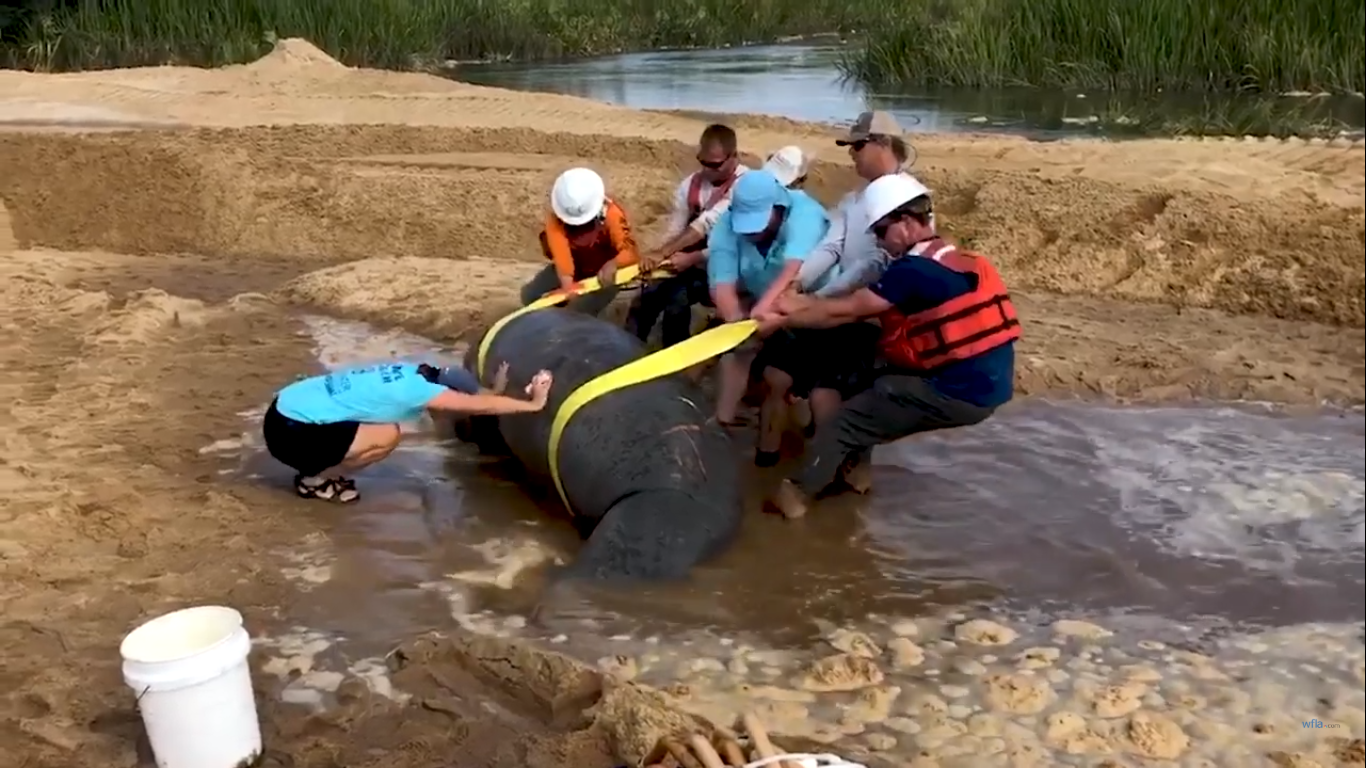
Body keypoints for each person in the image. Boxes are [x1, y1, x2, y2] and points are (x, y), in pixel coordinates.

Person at [763, 173, 1021, 520]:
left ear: (906, 222)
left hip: (958, 392)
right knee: (865, 385)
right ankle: (856, 479)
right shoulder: (955, 258)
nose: (879, 241)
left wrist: (784, 317)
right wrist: (801, 304)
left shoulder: (911, 271)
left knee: (843, 423)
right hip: (991, 383)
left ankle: (794, 498)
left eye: (881, 232)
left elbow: (845, 311)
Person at [752, 115, 918, 463]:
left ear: (883, 144)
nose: (852, 154)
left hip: (869, 315)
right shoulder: (853, 199)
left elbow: (875, 262)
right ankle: (767, 461)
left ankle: (840, 476)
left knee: (827, 396)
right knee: (775, 376)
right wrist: (798, 283)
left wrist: (812, 300)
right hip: (831, 308)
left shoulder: (909, 200)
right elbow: (831, 246)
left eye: (858, 146)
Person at [264, 360, 553, 504]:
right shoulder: (421, 391)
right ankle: (313, 479)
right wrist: (534, 404)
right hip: (290, 434)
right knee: (387, 436)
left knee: (383, 427)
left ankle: (317, 467)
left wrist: (495, 389)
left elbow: (477, 399)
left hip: (283, 409)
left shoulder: (411, 371)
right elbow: (480, 405)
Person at [707, 168, 828, 427]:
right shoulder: (725, 226)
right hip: (761, 296)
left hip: (812, 299)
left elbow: (793, 270)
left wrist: (762, 310)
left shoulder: (805, 215)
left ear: (778, 207)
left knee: (782, 379)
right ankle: (723, 420)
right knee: (738, 349)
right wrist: (735, 322)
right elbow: (722, 280)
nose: (751, 232)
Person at [627, 124, 748, 349]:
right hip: (691, 264)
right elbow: (675, 229)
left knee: (676, 301)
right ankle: (625, 355)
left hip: (731, 265)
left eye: (715, 165)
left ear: (734, 157)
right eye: (703, 163)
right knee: (644, 300)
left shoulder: (745, 186)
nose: (708, 170)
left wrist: (676, 255)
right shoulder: (689, 186)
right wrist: (656, 259)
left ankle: (675, 366)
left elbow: (706, 224)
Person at [521, 167, 639, 316]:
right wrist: (567, 288)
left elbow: (631, 252)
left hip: (606, 273)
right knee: (530, 296)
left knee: (579, 311)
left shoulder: (611, 214)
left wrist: (614, 264)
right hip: (578, 267)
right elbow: (562, 258)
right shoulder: (555, 221)